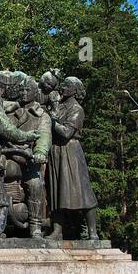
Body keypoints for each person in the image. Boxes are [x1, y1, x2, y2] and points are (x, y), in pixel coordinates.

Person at [49, 76, 100, 239]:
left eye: (67, 85)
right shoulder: (59, 105)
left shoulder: (77, 109)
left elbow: (66, 132)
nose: (62, 87)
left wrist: (52, 121)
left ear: (75, 90)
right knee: (57, 190)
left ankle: (93, 232)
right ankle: (57, 230)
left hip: (71, 151)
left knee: (83, 191)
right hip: (56, 150)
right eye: (63, 84)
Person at [8, 74, 52, 239]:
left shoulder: (42, 115)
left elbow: (44, 136)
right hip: (8, 154)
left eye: (28, 90)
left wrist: (40, 152)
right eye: (22, 89)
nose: (24, 93)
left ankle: (35, 225)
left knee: (35, 183)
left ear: (35, 92)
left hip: (28, 158)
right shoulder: (9, 110)